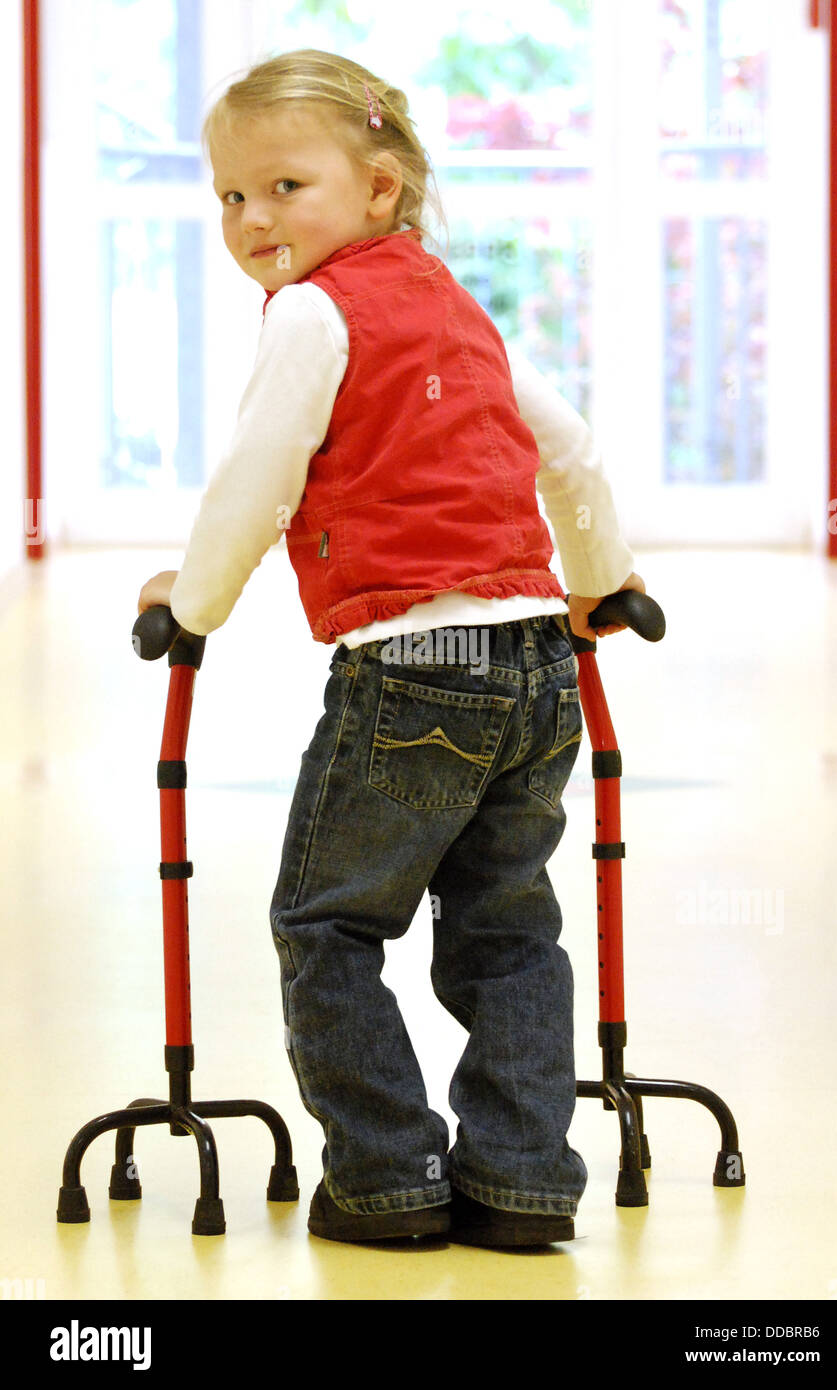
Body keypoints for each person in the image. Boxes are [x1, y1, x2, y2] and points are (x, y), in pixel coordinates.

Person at [138, 49, 645, 1249]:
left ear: (380, 189)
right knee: (509, 929)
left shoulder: (315, 312)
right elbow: (567, 455)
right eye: (229, 196)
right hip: (533, 667)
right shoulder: (455, 306)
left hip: (412, 670)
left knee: (331, 924)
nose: (252, 219)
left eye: (283, 188)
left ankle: (385, 1177)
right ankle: (521, 1182)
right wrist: (596, 585)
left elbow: (260, 474)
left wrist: (192, 603)